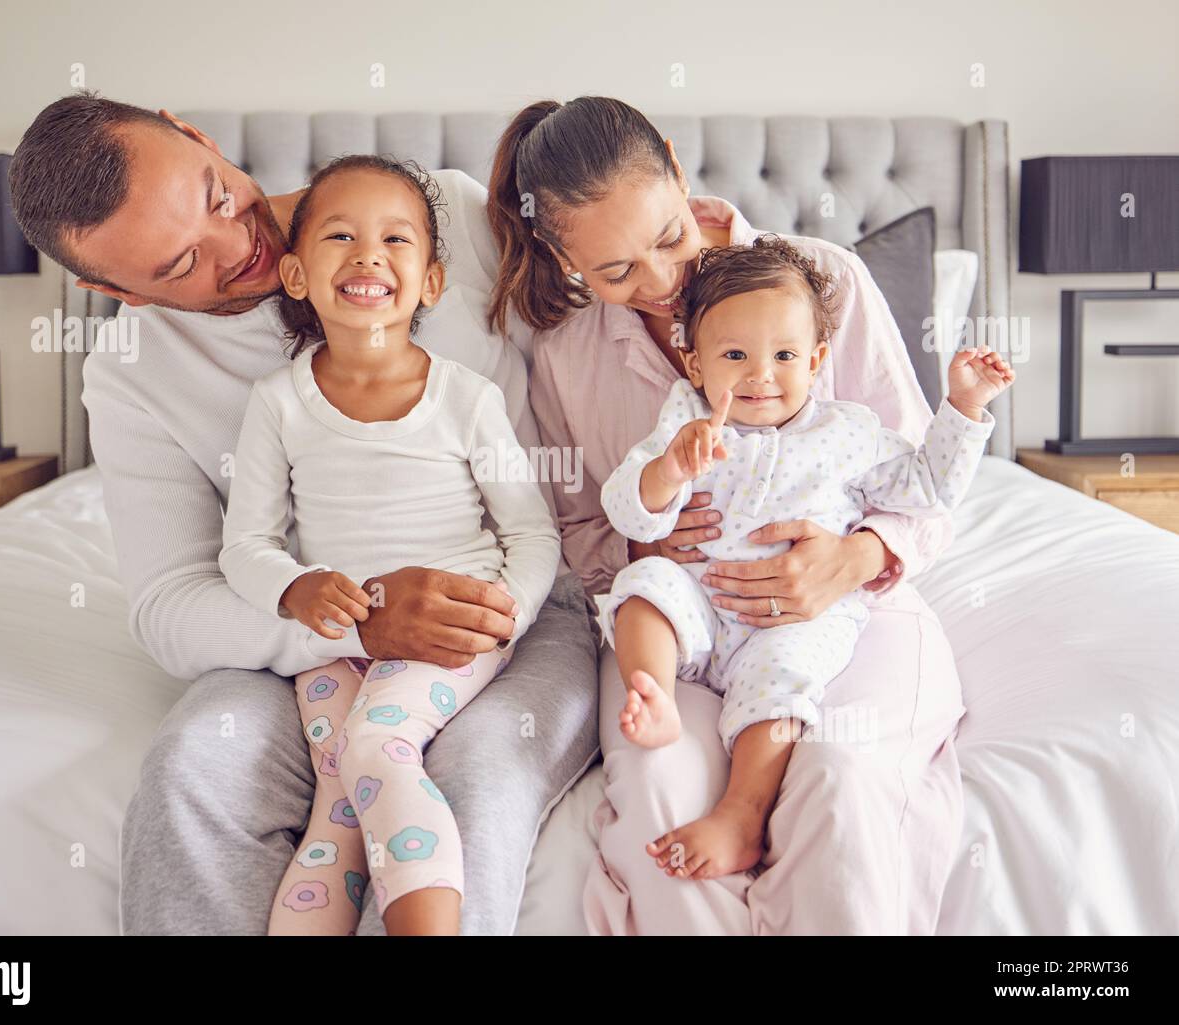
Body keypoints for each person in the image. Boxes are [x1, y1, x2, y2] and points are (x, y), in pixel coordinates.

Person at [7, 92, 598, 936]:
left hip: (512, 612)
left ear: (197, 135)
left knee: (480, 772)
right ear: (113, 291)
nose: (240, 245)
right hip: (298, 639)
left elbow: (638, 325)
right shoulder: (134, 372)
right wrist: (362, 623)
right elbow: (173, 605)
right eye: (181, 267)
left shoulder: (438, 218)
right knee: (192, 772)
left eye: (218, 194)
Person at [487, 95, 972, 934]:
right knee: (659, 803)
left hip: (850, 618)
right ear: (560, 256)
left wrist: (849, 559)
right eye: (614, 272)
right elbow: (575, 535)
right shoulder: (566, 357)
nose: (663, 283)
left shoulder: (827, 283)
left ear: (677, 169)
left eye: (668, 238)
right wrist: (647, 531)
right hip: (687, 628)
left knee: (838, 781)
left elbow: (923, 490)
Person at [596, 237, 1012, 881]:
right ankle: (654, 694)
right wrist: (668, 470)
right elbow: (625, 509)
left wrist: (964, 407)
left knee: (782, 685)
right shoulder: (684, 420)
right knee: (642, 583)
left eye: (784, 355)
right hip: (700, 605)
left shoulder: (848, 432)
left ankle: (742, 813)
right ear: (695, 362)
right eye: (734, 355)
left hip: (792, 620)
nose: (761, 374)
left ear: (817, 359)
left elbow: (928, 488)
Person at [219, 155, 560, 934]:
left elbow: (531, 531)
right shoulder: (277, 404)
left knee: (375, 745)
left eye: (395, 240)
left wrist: (505, 610)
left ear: (431, 282)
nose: (369, 255)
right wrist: (295, 589)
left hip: (452, 624)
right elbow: (246, 545)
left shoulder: (467, 398)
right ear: (298, 275)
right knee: (336, 803)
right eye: (341, 235)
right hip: (333, 641)